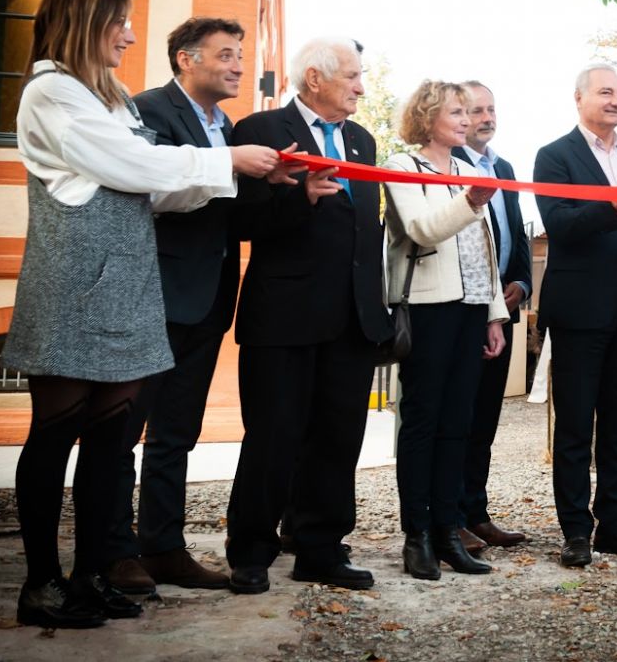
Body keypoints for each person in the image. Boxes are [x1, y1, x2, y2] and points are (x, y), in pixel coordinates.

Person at [2, 0, 280, 629]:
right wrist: (227, 161)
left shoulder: (112, 94)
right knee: (55, 434)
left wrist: (236, 176)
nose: (130, 34)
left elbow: (157, 190)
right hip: (74, 279)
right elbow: (133, 166)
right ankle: (42, 581)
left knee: (108, 441)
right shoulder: (52, 91)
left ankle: (92, 573)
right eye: (120, 22)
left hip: (127, 282)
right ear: (85, 22)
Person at [225, 37, 394, 594]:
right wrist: (301, 199)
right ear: (316, 78)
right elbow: (238, 221)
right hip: (284, 316)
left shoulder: (361, 141)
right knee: (273, 436)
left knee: (338, 438)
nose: (361, 88)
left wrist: (377, 304)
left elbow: (364, 232)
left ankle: (320, 548)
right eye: (351, 77)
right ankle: (251, 550)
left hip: (352, 319)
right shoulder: (258, 131)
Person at [106, 17, 252, 594]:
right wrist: (231, 167)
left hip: (211, 298)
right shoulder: (146, 112)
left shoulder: (227, 126)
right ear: (187, 59)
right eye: (226, 54)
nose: (238, 65)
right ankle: (114, 552)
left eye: (240, 54)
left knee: (178, 432)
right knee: (123, 431)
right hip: (155, 295)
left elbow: (225, 210)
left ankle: (163, 547)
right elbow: (155, 192)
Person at [534, 63, 617, 568]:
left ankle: (614, 524)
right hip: (580, 310)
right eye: (605, 92)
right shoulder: (555, 156)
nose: (615, 100)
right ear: (578, 98)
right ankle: (575, 531)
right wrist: (611, 209)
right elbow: (560, 226)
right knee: (574, 426)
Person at [383, 80, 509, 581]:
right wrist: (472, 201)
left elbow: (486, 251)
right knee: (422, 422)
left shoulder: (468, 170)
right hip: (428, 307)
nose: (465, 119)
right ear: (427, 117)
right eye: (455, 111)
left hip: (472, 308)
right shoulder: (401, 167)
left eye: (467, 112)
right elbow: (420, 229)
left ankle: (448, 532)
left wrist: (495, 313)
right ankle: (417, 535)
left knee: (458, 422)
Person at [451, 81, 532, 553]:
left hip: (504, 308)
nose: (485, 117)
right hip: (461, 310)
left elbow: (515, 233)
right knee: (456, 417)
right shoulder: (446, 167)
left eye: (490, 109)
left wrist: (522, 282)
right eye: (474, 110)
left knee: (484, 420)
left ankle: (476, 512)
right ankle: (449, 517)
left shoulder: (502, 167)